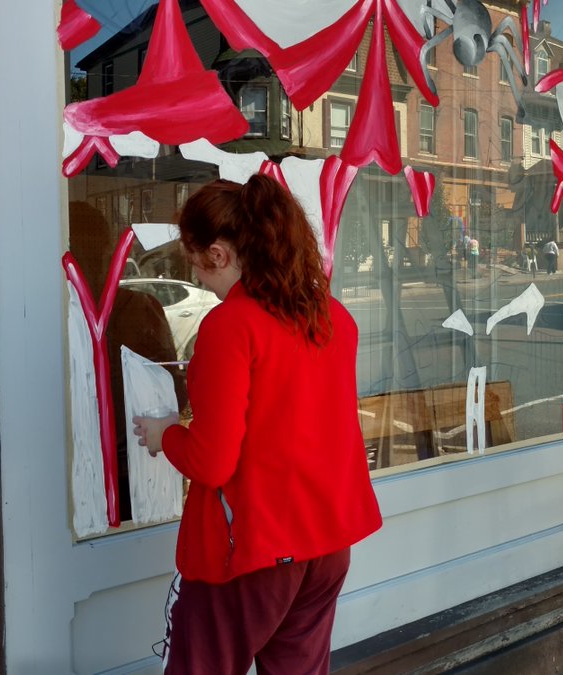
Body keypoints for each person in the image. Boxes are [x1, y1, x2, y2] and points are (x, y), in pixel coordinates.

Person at [133, 175, 381, 675]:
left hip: (255, 547)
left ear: (220, 254)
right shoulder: (333, 317)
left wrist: (165, 435)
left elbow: (212, 460)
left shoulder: (230, 326)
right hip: (327, 543)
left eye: (195, 263)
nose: (198, 279)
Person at [68, 201, 186, 522]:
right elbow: (176, 390)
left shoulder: (139, 309)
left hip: (131, 468)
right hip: (126, 466)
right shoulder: (138, 309)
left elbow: (173, 389)